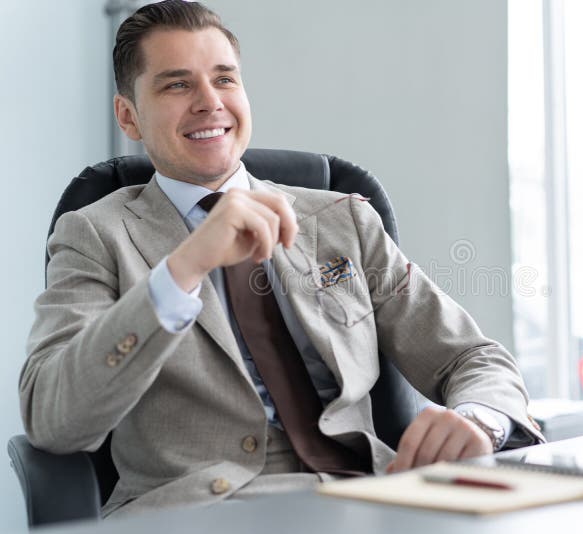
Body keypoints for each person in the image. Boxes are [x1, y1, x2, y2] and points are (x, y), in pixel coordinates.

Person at [19, 0, 542, 518]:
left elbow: (471, 357)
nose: (209, 101)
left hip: (366, 499)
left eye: (224, 79)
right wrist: (183, 271)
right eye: (177, 84)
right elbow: (54, 417)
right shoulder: (94, 234)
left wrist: (479, 420)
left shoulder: (343, 219)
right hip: (197, 512)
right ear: (127, 116)